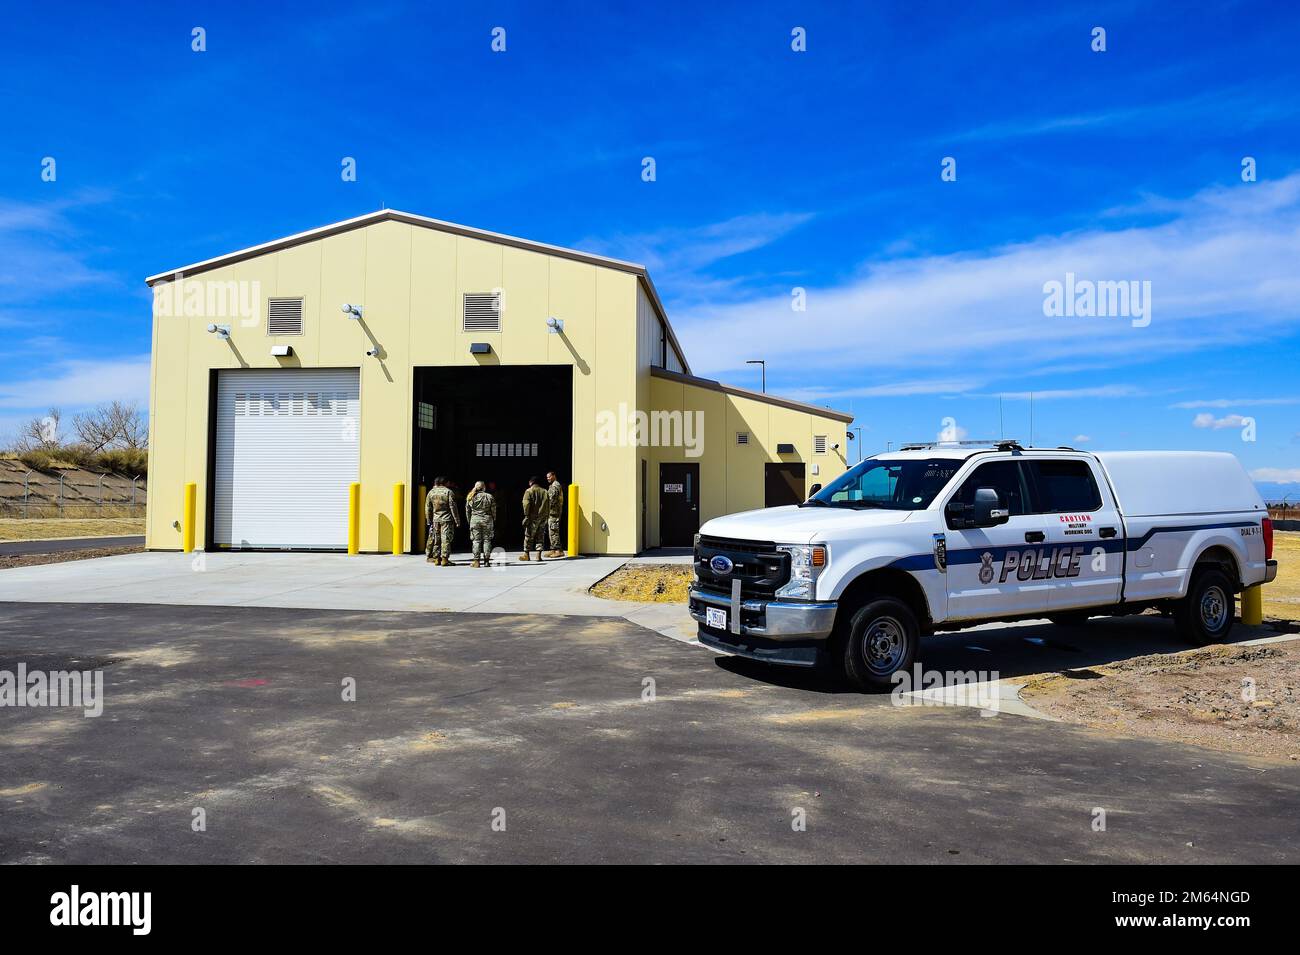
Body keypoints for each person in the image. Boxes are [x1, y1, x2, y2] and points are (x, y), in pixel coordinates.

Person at [425, 476, 461, 566]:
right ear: (444, 483)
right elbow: (453, 507)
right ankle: (445, 559)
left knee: (436, 539)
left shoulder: (431, 492)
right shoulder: (448, 492)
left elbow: (427, 508)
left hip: (435, 520)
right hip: (447, 519)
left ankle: (437, 559)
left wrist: (429, 520)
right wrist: (457, 520)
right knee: (446, 539)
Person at [466, 480, 496, 568]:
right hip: (487, 520)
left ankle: (476, 561)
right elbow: (494, 510)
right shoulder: (489, 496)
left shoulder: (470, 496)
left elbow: (467, 511)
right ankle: (487, 561)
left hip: (474, 520)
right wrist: (493, 519)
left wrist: (470, 520)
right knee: (487, 540)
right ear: (484, 487)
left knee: (476, 541)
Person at [519, 475, 547, 561]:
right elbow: (547, 504)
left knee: (529, 535)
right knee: (540, 535)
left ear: (531, 482)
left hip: (532, 517)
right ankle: (538, 555)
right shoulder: (545, 491)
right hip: (543, 517)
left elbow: (526, 504)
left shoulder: (529, 491)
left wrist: (526, 515)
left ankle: (526, 554)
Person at [544, 471, 565, 558]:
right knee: (551, 531)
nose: (548, 478)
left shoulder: (555, 485)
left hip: (554, 512)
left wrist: (546, 509)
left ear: (554, 476)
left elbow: (552, 499)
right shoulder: (553, 485)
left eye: (549, 477)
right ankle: (553, 549)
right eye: (547, 477)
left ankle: (558, 550)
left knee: (554, 531)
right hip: (552, 512)